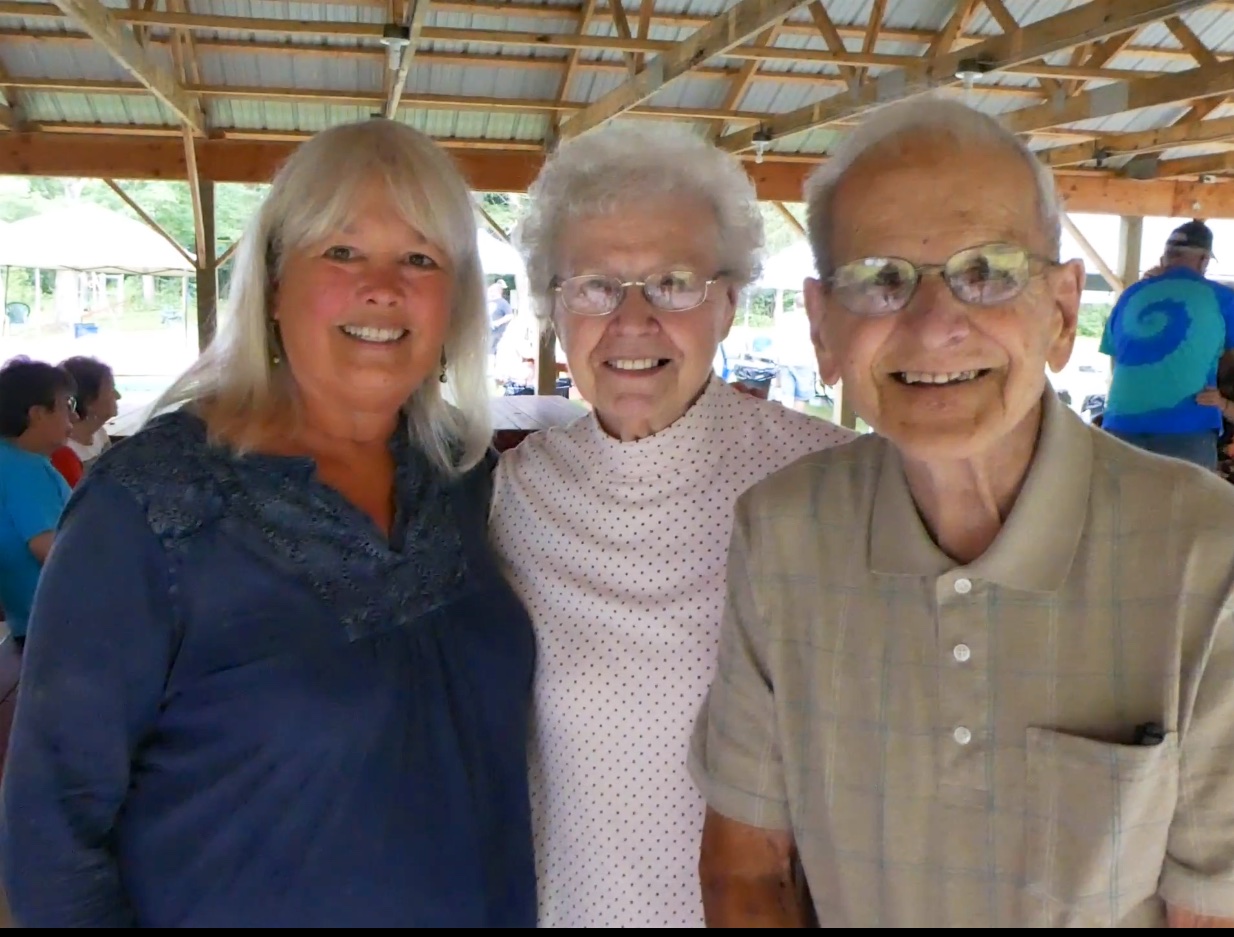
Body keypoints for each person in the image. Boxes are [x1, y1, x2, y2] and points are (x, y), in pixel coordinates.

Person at [690, 96, 1234, 928]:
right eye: (879, 280)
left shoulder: (1207, 552)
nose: (936, 323)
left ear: (1060, 312)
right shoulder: (781, 533)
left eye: (988, 272)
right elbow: (746, 871)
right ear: (823, 328)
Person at [0, 119, 536, 928]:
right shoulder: (150, 507)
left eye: (421, 258)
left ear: (454, 297)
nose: (383, 286)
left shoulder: (466, 478)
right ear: (276, 283)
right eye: (342, 251)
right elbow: (51, 831)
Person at [489, 122, 853, 927]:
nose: (632, 319)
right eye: (593, 285)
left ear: (728, 301)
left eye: (673, 282)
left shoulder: (832, 482)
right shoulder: (514, 497)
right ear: (554, 307)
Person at [1100, 219, 1234, 469]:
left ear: (1166, 257)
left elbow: (1115, 357)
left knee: (1118, 506)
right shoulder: (1223, 299)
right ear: (1204, 260)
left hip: (1119, 425)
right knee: (1187, 508)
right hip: (1186, 427)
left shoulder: (1130, 295)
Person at [0, 358, 74, 647]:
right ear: (38, 414)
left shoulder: (9, 458)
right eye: (67, 405)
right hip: (55, 625)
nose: (73, 417)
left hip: (31, 621)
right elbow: (48, 549)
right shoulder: (26, 469)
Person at [49, 356, 121, 488]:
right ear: (89, 402)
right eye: (111, 389)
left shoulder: (99, 433)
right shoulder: (63, 452)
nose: (118, 396)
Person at [488, 278, 514, 354]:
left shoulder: (503, 303)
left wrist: (498, 322)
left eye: (491, 291)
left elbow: (510, 315)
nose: (490, 293)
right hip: (487, 332)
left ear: (498, 291)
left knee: (491, 352)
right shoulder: (488, 302)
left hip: (497, 333)